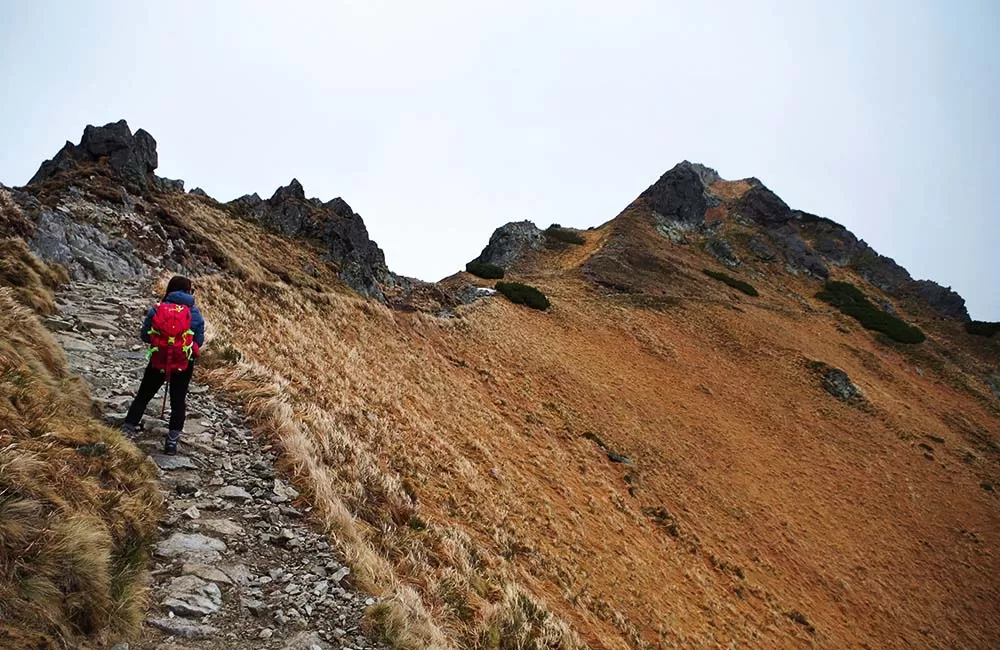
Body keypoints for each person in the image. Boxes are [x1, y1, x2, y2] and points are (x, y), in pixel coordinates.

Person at [121, 275, 205, 454]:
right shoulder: (195, 314)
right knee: (178, 401)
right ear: (188, 291)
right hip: (183, 363)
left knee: (144, 395)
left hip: (158, 359)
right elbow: (199, 341)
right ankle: (172, 443)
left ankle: (127, 429)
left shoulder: (157, 309)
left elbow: (145, 335)